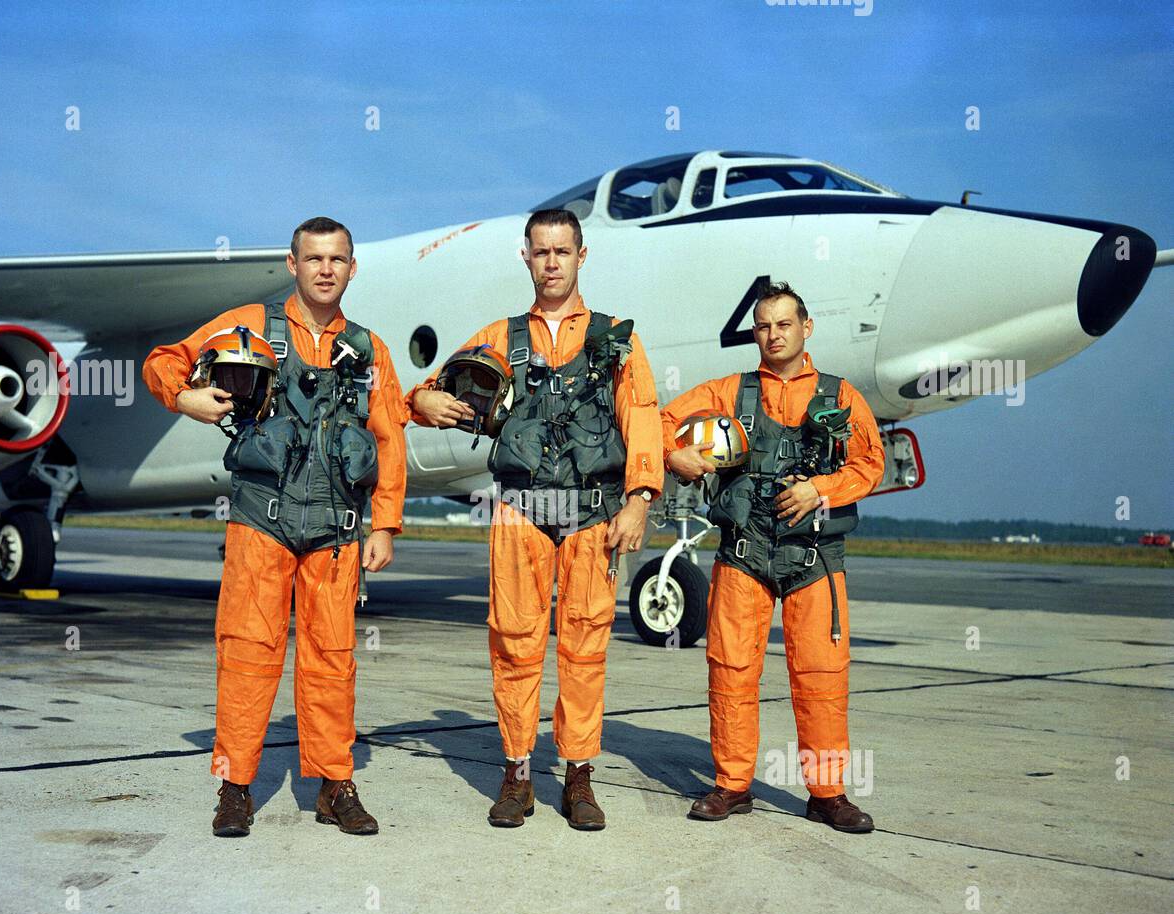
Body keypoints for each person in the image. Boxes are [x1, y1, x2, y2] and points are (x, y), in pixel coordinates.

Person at [143, 217, 407, 836]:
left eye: (337, 260)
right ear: (292, 264)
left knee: (332, 660)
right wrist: (184, 398)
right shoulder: (252, 325)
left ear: (352, 268)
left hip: (337, 533)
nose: (324, 270)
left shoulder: (369, 352)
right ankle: (235, 787)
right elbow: (164, 361)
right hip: (261, 524)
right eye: (313, 259)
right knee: (248, 653)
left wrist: (385, 525)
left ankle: (334, 783)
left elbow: (389, 437)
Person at [407, 208, 663, 831]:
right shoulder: (500, 336)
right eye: (541, 251)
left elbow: (644, 416)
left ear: (582, 256)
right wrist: (422, 401)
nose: (552, 262)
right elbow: (430, 390)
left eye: (563, 251)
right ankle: (518, 773)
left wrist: (640, 498)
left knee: (584, 649)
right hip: (521, 512)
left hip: (592, 517)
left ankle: (578, 778)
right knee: (516, 645)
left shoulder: (616, 341)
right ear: (526, 257)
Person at [661, 282, 884, 832]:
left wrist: (821, 490)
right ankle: (732, 786)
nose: (773, 334)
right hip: (744, 553)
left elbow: (870, 464)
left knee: (821, 676)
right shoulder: (727, 392)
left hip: (814, 557)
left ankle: (827, 794)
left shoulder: (841, 397)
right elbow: (663, 421)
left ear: (806, 329)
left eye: (784, 324)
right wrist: (675, 456)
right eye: (763, 325)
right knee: (732, 670)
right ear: (754, 332)